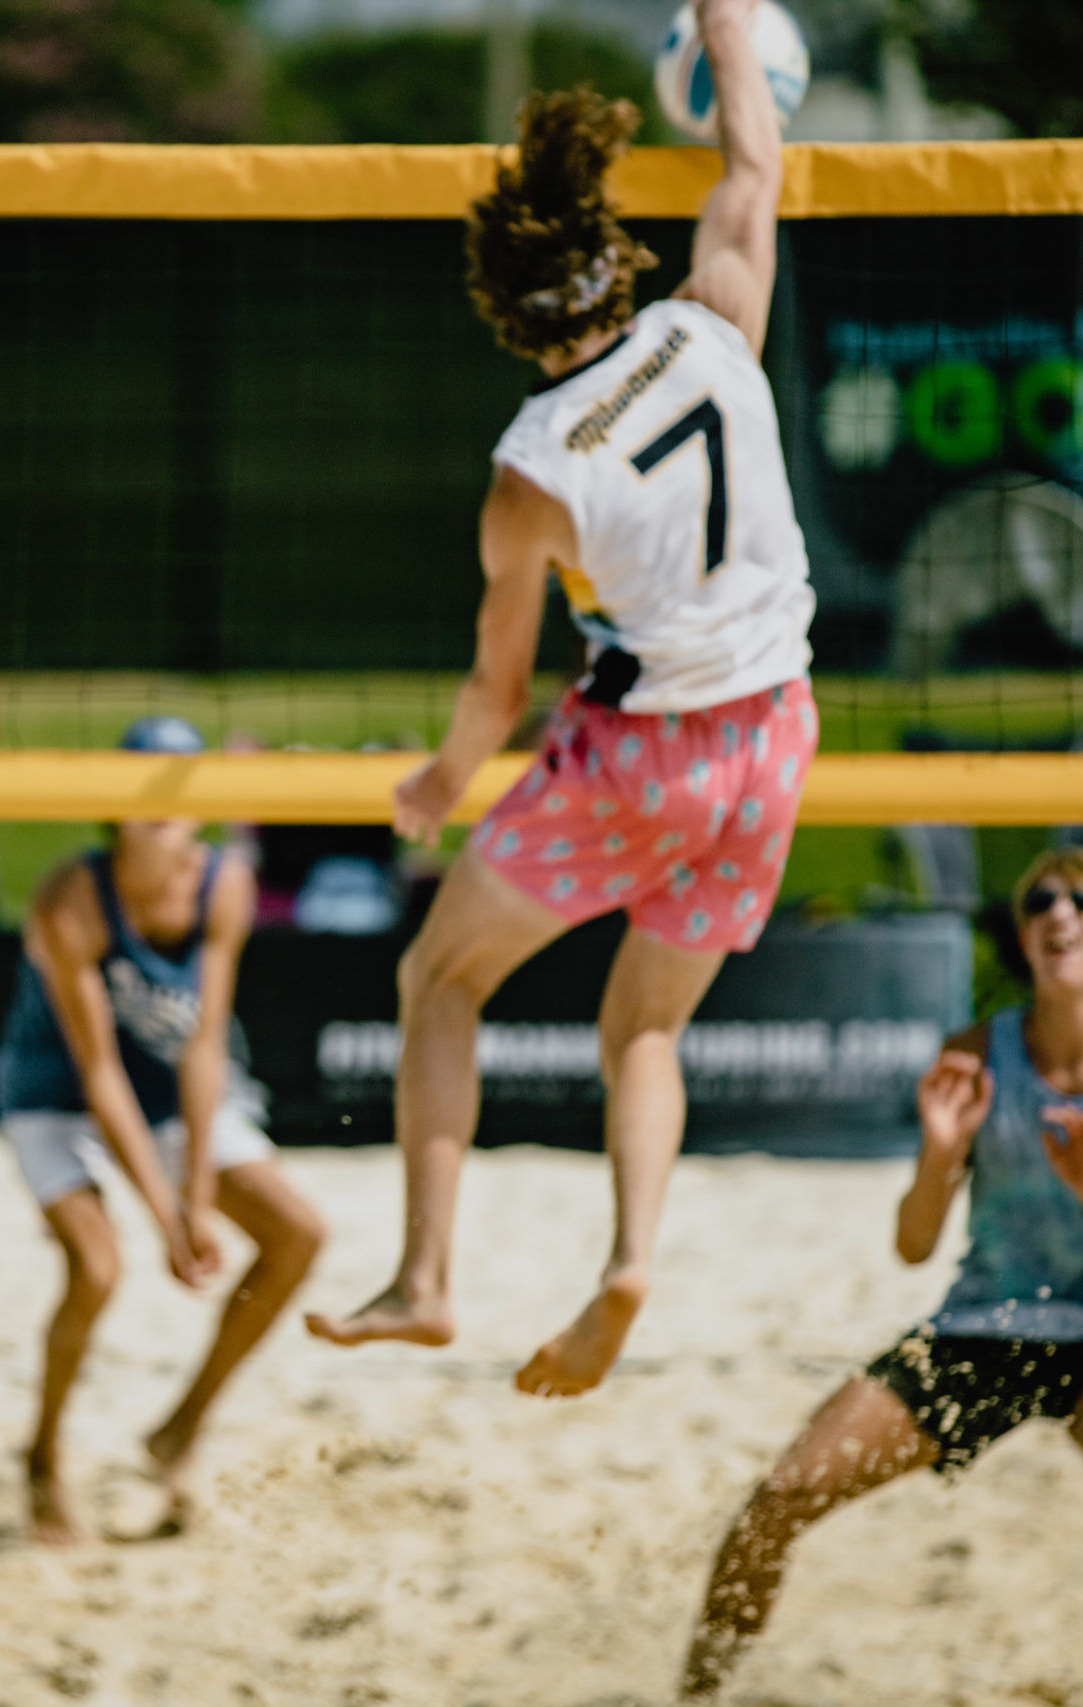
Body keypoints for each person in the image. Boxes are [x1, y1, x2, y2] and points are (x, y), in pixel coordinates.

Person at [306, 12, 815, 1397]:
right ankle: (629, 1258)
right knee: (645, 1028)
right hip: (773, 737)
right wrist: (726, 24)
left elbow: (498, 681)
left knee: (438, 978)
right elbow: (754, 164)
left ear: (503, 305)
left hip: (642, 755)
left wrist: (438, 782)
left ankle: (422, 1278)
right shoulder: (714, 325)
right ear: (613, 257)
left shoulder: (531, 468)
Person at [680, 848, 1083, 1705]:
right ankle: (697, 1693)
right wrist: (936, 1154)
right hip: (986, 1321)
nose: (1057, 913)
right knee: (783, 1491)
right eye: (1039, 899)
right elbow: (913, 1244)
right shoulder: (974, 1054)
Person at [0, 716, 327, 1545]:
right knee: (98, 1268)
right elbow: (98, 1071)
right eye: (152, 788)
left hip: (170, 1091)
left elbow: (204, 1044)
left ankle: (179, 1427)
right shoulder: (72, 899)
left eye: (183, 786)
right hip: (54, 1091)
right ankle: (41, 1455)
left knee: (297, 1235)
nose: (171, 807)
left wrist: (198, 1195)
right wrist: (168, 1215)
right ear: (118, 806)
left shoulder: (223, 884)